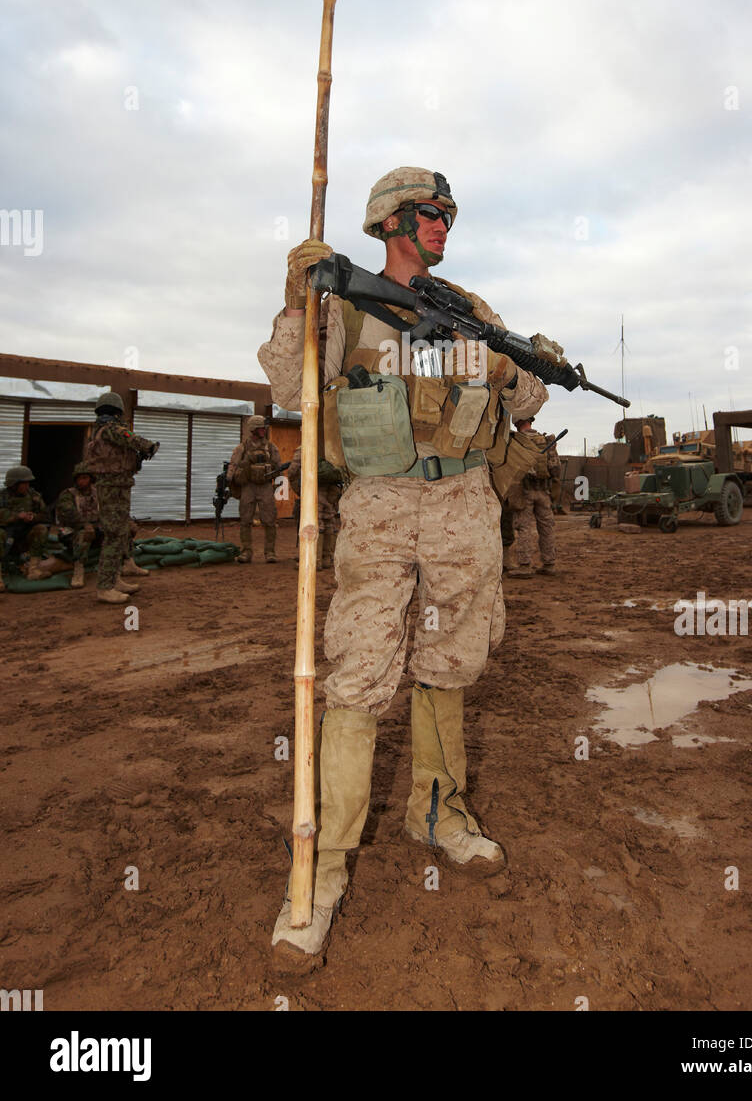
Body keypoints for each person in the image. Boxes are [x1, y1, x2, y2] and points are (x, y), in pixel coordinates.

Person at [257, 166, 548, 968]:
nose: (442, 225)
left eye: (449, 214)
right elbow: (290, 385)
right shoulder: (343, 304)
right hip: (381, 507)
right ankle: (319, 874)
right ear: (389, 222)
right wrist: (295, 301)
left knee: (449, 665)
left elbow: (529, 402)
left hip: (463, 504)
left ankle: (440, 814)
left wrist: (501, 369)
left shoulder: (474, 311)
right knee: (355, 673)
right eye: (429, 213)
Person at [81, 392, 158, 605]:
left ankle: (114, 579)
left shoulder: (99, 431)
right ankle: (105, 587)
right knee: (114, 535)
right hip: (113, 488)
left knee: (120, 531)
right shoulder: (111, 430)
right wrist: (149, 446)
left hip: (117, 486)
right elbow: (132, 439)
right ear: (117, 411)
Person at [507, 417, 561, 576]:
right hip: (544, 491)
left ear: (516, 424)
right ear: (531, 422)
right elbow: (555, 468)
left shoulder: (517, 442)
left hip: (525, 491)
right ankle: (549, 564)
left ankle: (524, 566)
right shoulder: (545, 441)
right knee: (546, 528)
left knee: (524, 528)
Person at [227, 416, 281, 563]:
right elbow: (233, 466)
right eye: (260, 428)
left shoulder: (271, 447)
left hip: (265, 486)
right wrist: (229, 482)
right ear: (253, 429)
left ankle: (270, 552)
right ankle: (246, 552)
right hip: (248, 486)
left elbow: (278, 467)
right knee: (245, 520)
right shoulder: (242, 448)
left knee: (270, 520)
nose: (263, 431)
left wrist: (277, 486)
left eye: (264, 428)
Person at [287, 447, 343, 569]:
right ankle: (327, 558)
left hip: (314, 490)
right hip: (332, 491)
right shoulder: (331, 442)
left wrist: (301, 491)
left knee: (316, 522)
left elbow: (292, 471)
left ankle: (315, 561)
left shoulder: (305, 446)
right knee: (329, 521)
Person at [0, 465, 51, 586]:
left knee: (41, 530)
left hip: (24, 535)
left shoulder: (34, 496)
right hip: (6, 534)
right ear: (14, 484)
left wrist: (33, 517)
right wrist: (16, 516)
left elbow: (46, 516)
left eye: (28, 483)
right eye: (24, 483)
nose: (27, 486)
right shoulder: (2, 497)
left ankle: (33, 570)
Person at [55, 463, 102, 588]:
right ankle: (78, 569)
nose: (82, 481)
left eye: (85, 478)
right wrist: (84, 525)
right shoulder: (68, 494)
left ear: (91, 479)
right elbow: (69, 515)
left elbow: (109, 510)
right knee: (83, 534)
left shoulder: (98, 493)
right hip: (72, 532)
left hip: (96, 529)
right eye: (79, 478)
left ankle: (126, 562)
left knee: (119, 529)